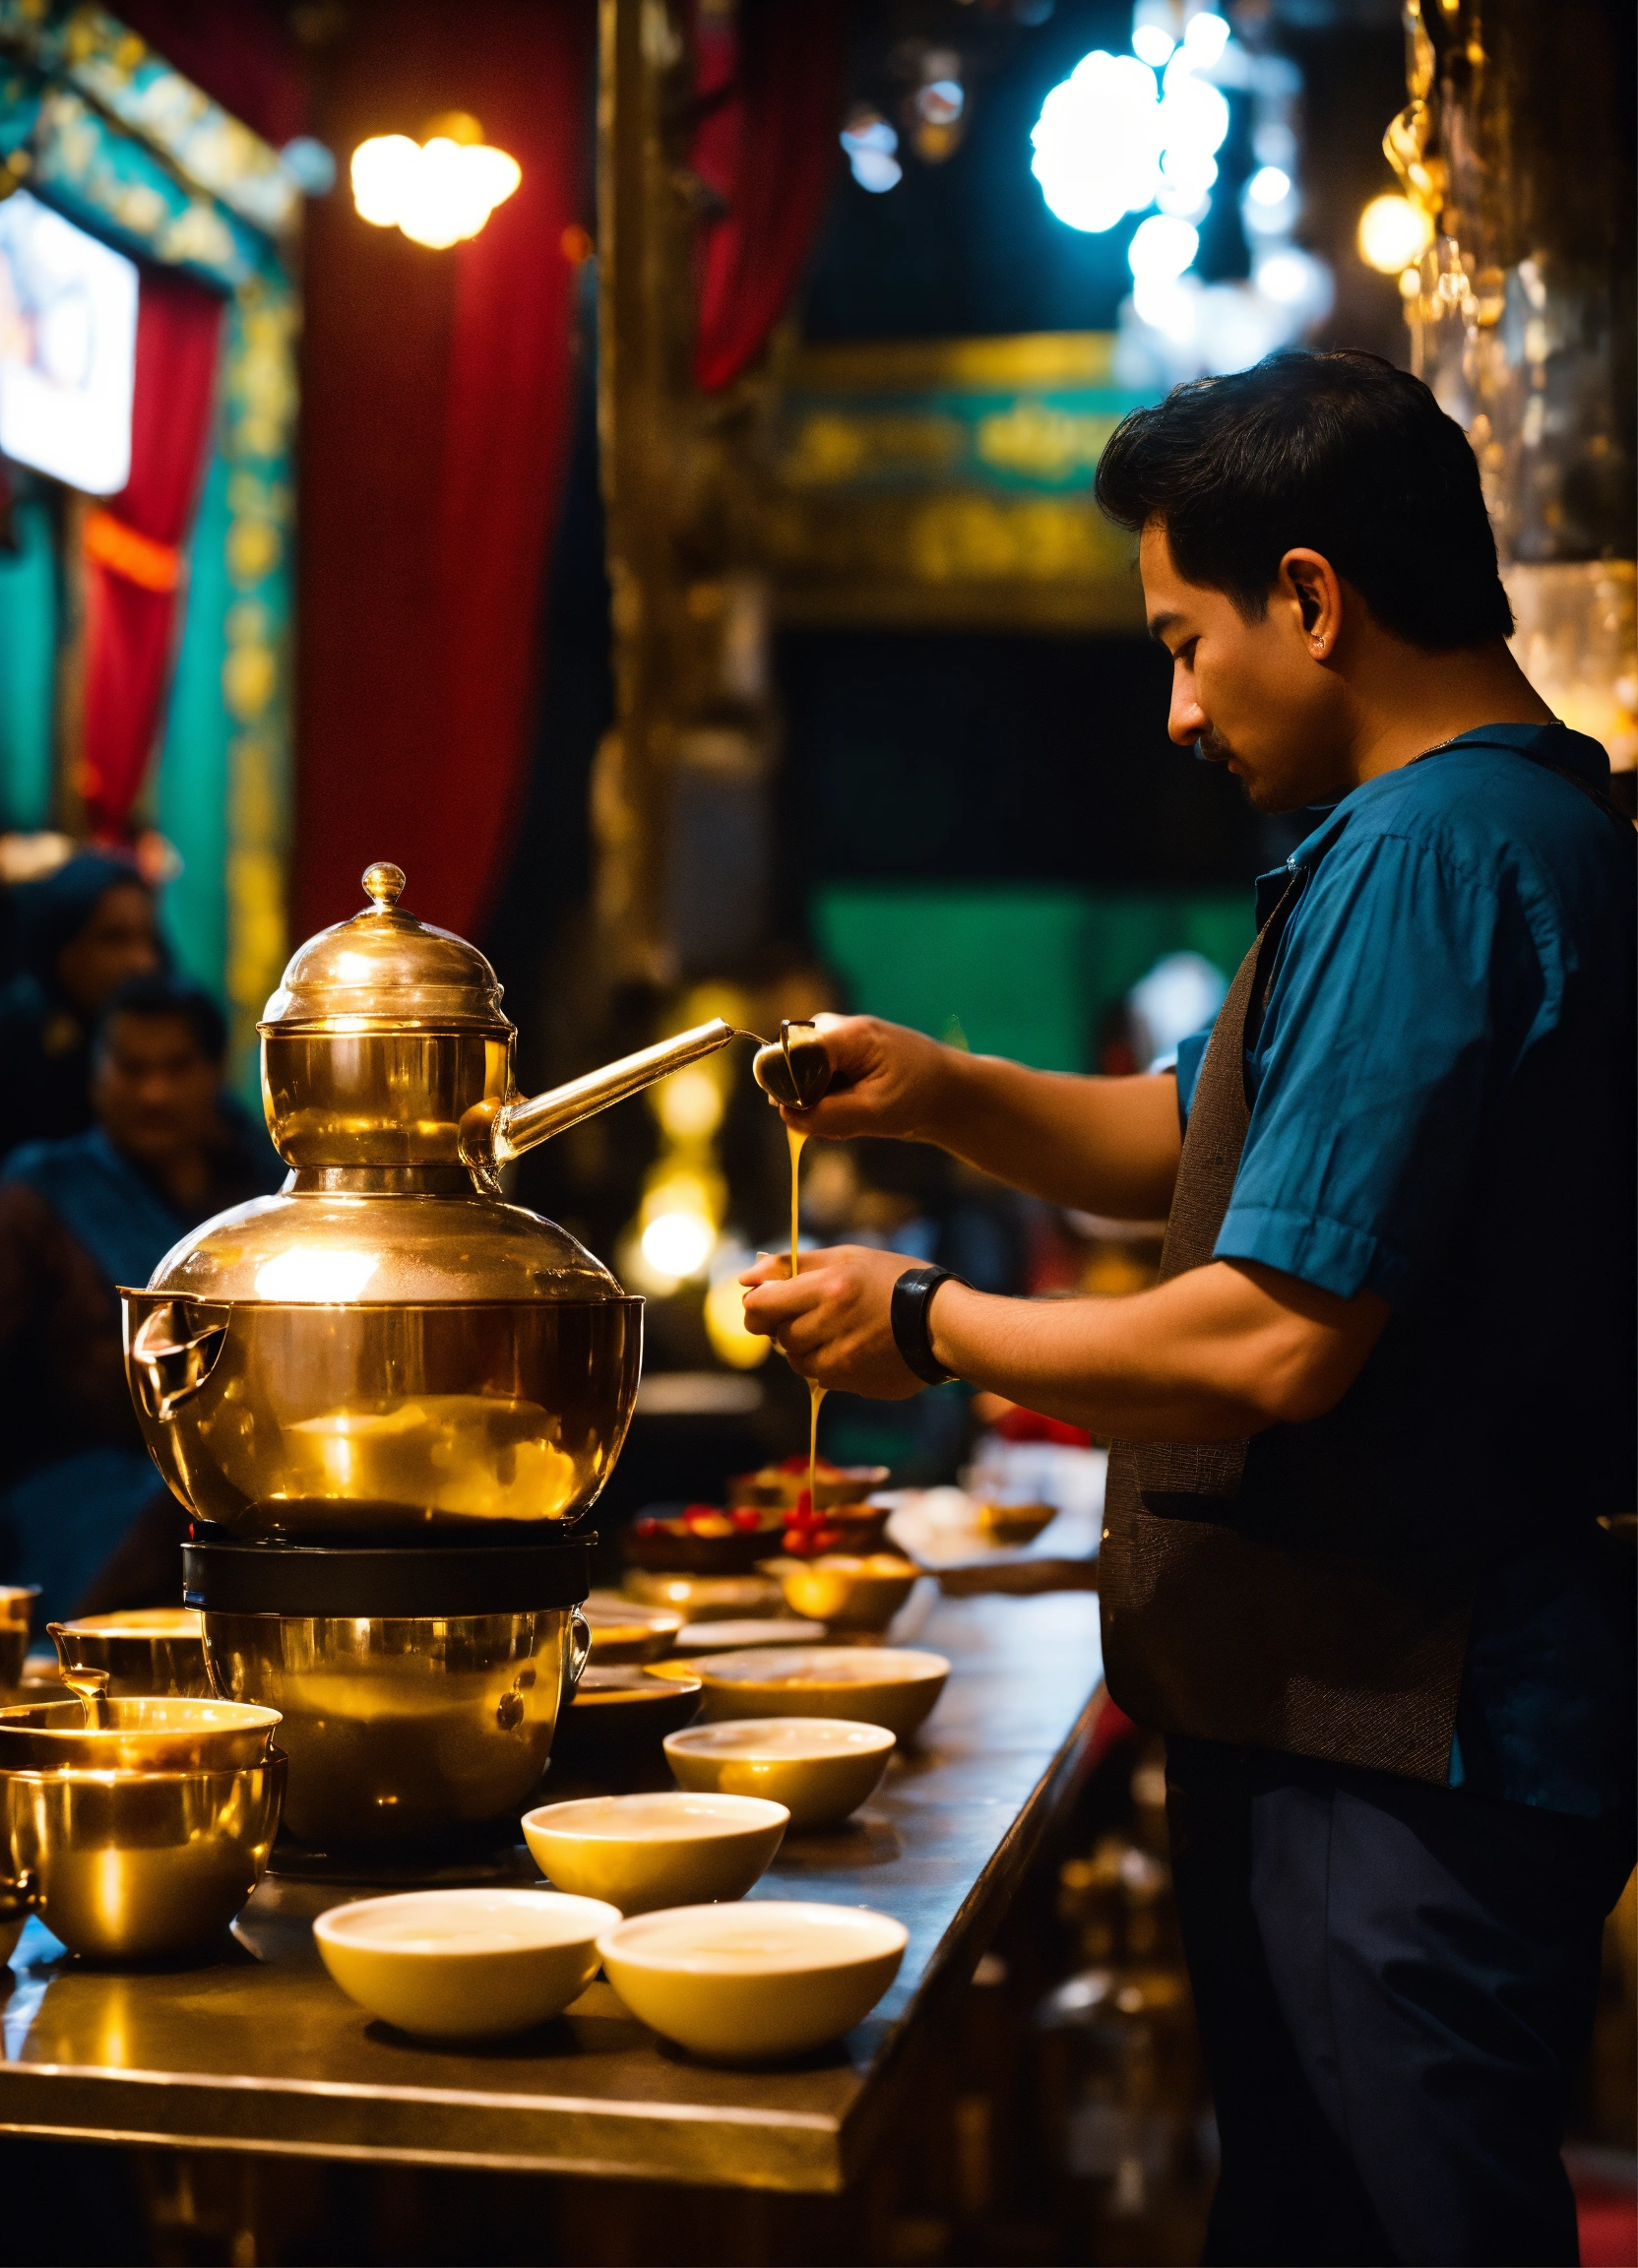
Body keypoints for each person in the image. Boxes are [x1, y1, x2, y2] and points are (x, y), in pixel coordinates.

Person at [741, 350, 1635, 2267]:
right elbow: (1202, 1145)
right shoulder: (1480, 828)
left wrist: (921, 1321)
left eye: (1180, 642)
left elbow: (1270, 1331)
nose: (1171, 708)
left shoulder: (1431, 851)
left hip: (1400, 1725)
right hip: (1368, 1720)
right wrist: (948, 1090)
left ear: (1310, 597)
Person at [0, 973, 283, 1626]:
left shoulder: (265, 1198)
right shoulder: (40, 1193)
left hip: (255, 1483)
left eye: (177, 1067)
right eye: (130, 1068)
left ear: (215, 1071)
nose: (154, 1092)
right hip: (80, 1490)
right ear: (95, 1073)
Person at [0, 850, 162, 1162]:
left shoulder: (171, 1029)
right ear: (63, 951)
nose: (142, 962)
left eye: (148, 939)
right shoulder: (16, 1043)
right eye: (115, 939)